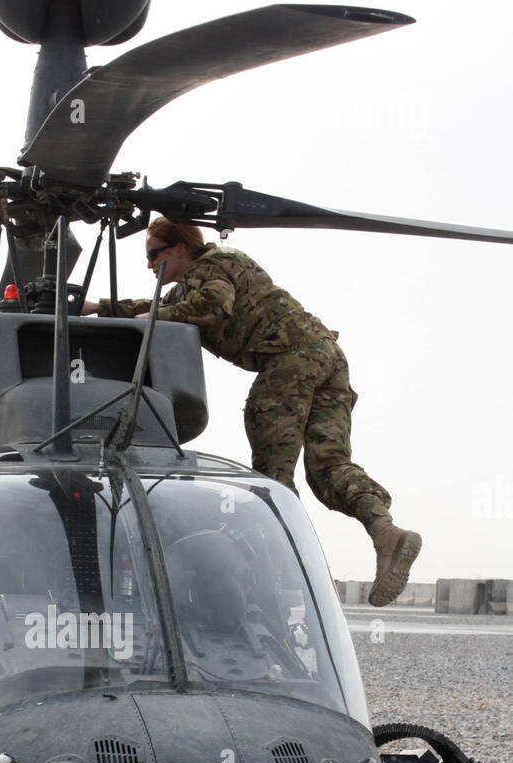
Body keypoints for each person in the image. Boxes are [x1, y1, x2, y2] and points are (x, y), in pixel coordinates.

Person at [84, 219, 421, 607]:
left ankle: (277, 579)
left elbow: (213, 304)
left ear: (178, 248)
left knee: (272, 479)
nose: (148, 266)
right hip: (325, 356)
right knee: (328, 465)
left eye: (152, 255)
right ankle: (385, 531)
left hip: (289, 360)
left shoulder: (208, 269)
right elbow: (160, 306)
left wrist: (156, 318)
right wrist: (101, 308)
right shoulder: (204, 275)